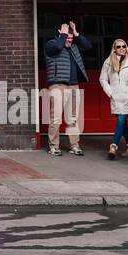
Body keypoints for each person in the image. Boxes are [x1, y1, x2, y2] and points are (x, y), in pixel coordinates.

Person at [44, 19, 91, 156]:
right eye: (67, 37)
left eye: (71, 38)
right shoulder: (51, 44)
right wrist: (63, 36)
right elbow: (57, 48)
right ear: (60, 33)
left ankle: (74, 145)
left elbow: (87, 46)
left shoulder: (74, 47)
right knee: (56, 118)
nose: (69, 40)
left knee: (73, 118)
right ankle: (54, 146)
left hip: (74, 85)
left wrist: (77, 34)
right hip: (58, 85)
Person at [99, 37, 128, 160]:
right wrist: (110, 93)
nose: (122, 48)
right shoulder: (108, 62)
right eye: (119, 47)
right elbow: (103, 79)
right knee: (123, 122)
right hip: (116, 97)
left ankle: (113, 146)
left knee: (121, 119)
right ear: (114, 49)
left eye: (124, 46)